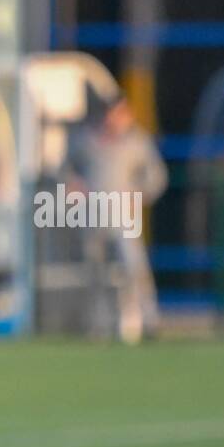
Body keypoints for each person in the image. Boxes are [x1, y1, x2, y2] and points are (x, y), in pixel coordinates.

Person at [69, 96, 168, 341]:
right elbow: (68, 168)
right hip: (93, 217)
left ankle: (148, 321)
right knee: (96, 273)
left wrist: (138, 194)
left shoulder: (136, 142)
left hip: (124, 218)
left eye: (120, 113)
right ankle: (100, 325)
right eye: (111, 113)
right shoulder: (88, 141)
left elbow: (156, 177)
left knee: (135, 269)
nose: (114, 118)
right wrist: (73, 184)